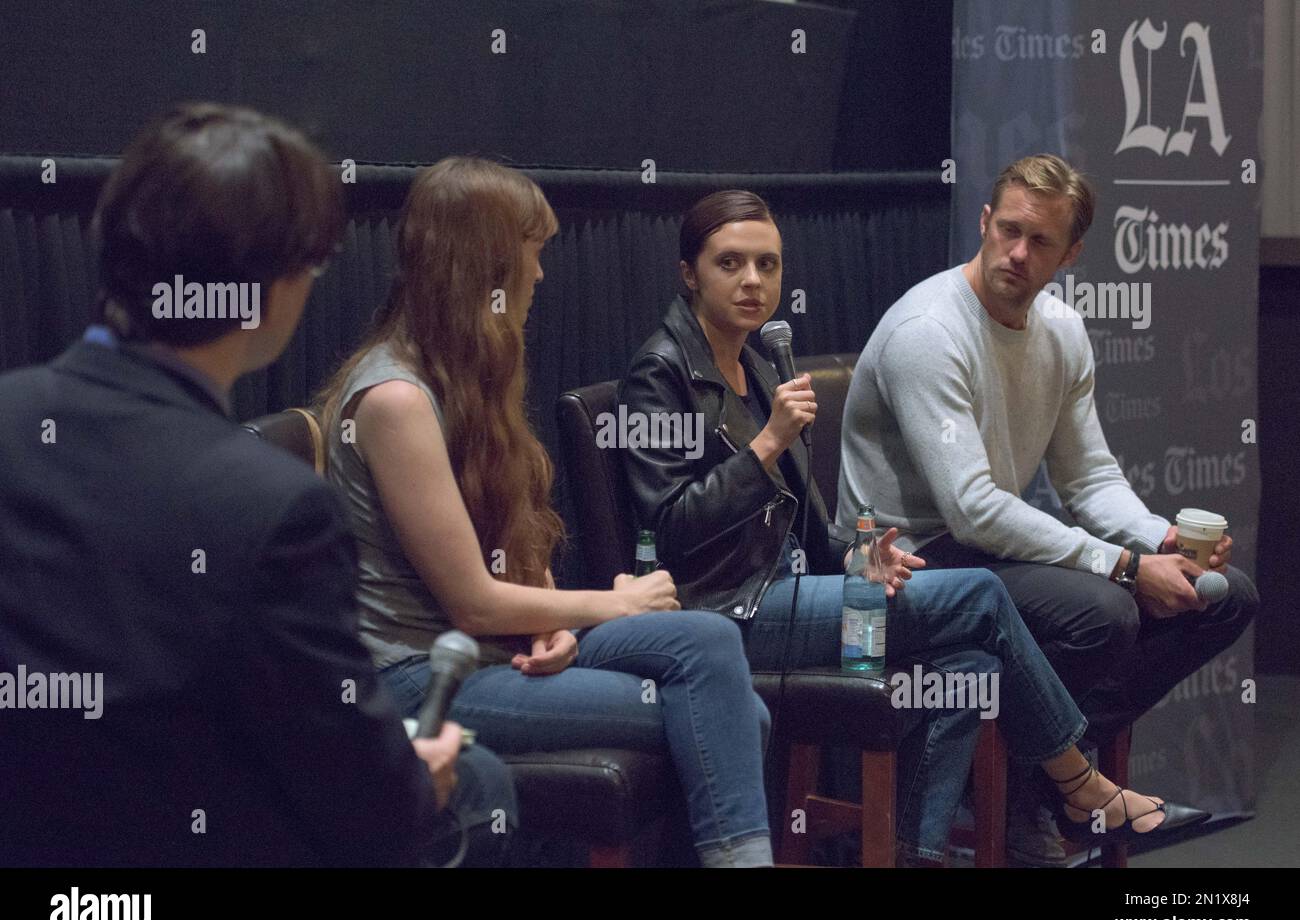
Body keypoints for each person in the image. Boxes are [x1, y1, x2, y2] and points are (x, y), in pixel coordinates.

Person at [0, 103, 513, 867]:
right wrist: (418, 778)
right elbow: (366, 797)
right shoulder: (276, 506)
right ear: (275, 290)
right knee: (475, 784)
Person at [617, 189, 1182, 867]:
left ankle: (913, 853)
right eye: (730, 263)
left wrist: (861, 558)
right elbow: (668, 529)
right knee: (976, 594)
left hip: (792, 596)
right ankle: (1078, 781)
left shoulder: (762, 364)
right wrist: (765, 446)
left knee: (968, 666)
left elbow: (803, 524)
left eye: (767, 265)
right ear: (689, 272)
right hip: (721, 613)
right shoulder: (661, 372)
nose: (752, 281)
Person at [316, 156, 774, 868]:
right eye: (533, 255)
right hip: (420, 674)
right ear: (486, 265)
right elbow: (470, 601)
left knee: (709, 645)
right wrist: (614, 605)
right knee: (735, 711)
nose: (540, 275)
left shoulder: (467, 373)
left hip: (497, 651)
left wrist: (555, 618)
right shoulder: (396, 400)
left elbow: (505, 549)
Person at [837, 153, 1259, 863]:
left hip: (983, 550)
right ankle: (1052, 786)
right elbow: (970, 509)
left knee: (1222, 595)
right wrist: (1127, 567)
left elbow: (1089, 478)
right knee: (1105, 610)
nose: (1017, 253)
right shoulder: (929, 332)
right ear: (983, 221)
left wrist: (1160, 539)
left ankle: (1035, 772)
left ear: (1072, 254)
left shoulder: (1060, 332)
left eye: (1040, 242)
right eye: (1007, 230)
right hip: (904, 560)